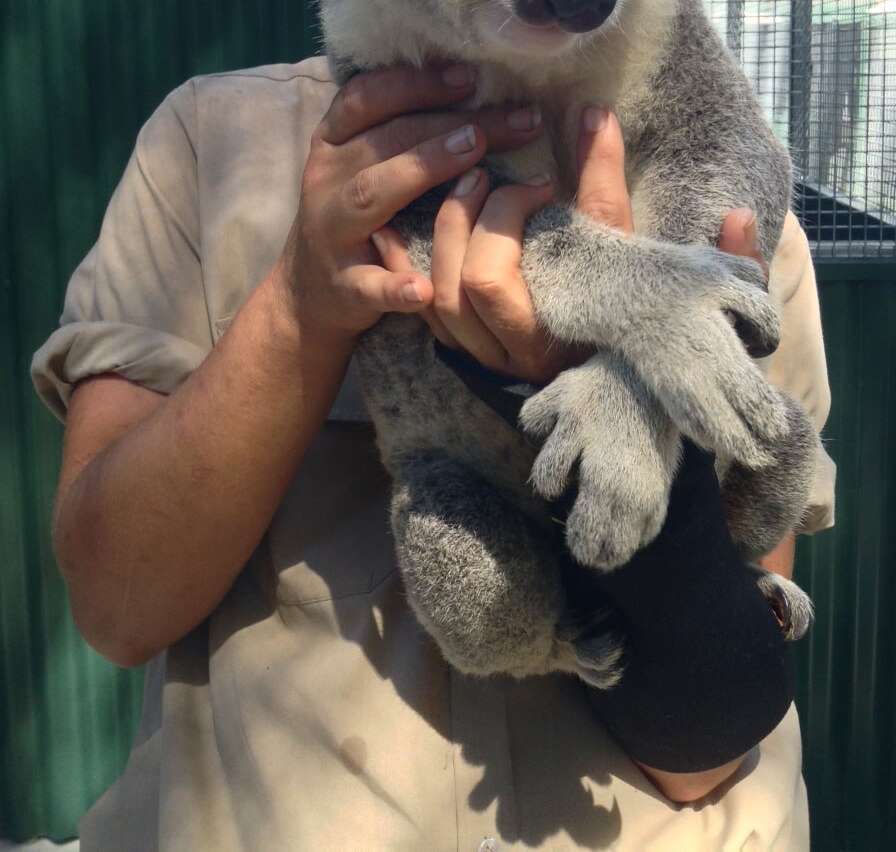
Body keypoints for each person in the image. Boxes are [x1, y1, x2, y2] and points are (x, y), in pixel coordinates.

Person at [32, 57, 835, 850]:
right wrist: (297, 306)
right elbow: (116, 606)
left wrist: (623, 402)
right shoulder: (211, 146)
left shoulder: (731, 192)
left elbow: (708, 753)